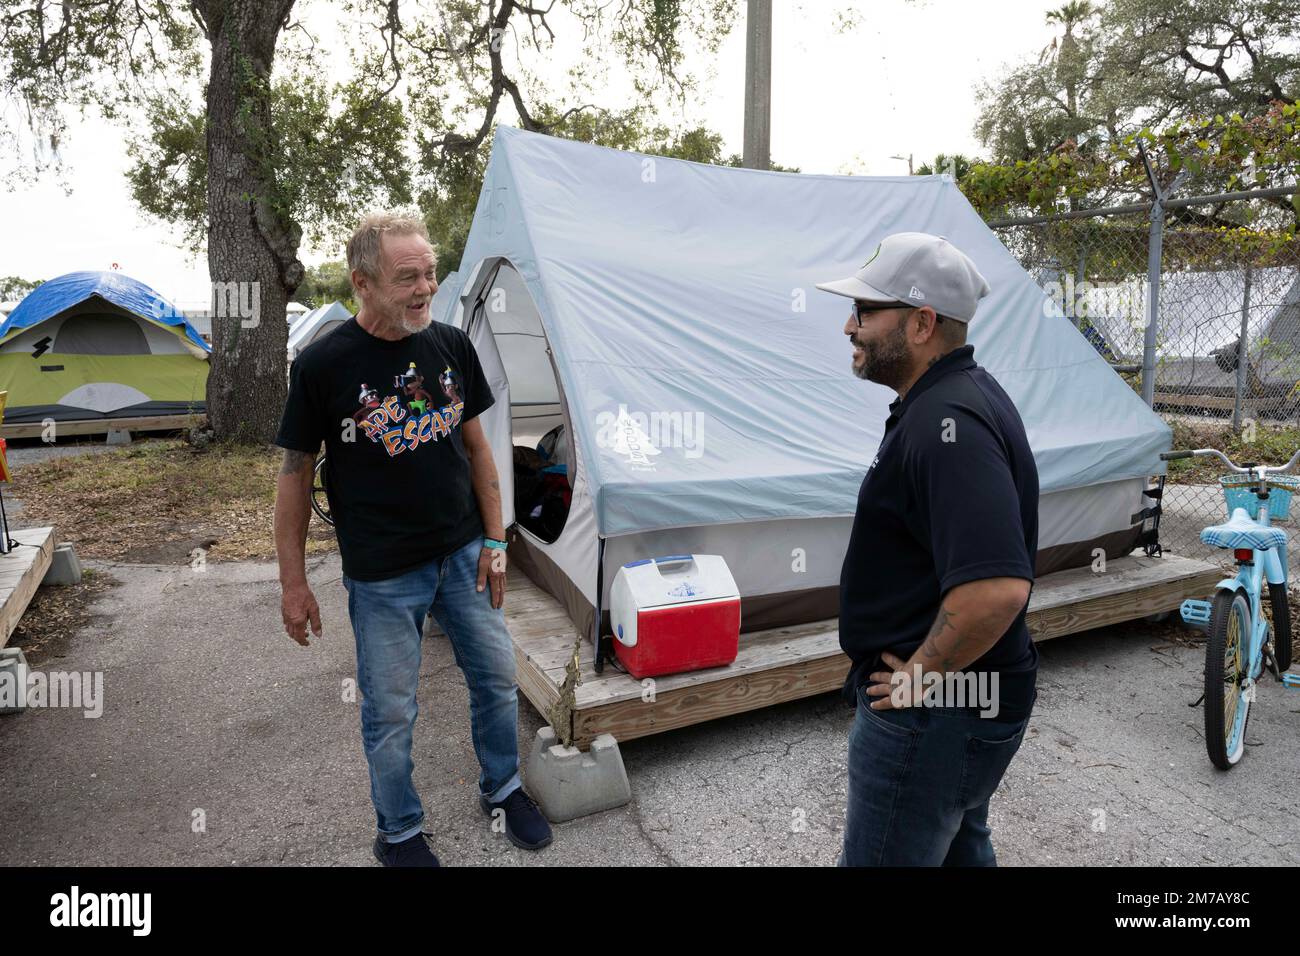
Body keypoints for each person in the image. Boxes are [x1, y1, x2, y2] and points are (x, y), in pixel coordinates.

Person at [273, 212, 552, 867]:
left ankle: (504, 787)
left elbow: (480, 449)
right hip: (382, 574)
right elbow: (291, 476)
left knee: (496, 679)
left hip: (462, 555)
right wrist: (292, 583)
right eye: (409, 277)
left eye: (429, 272)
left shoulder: (452, 345)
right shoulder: (323, 364)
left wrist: (494, 541)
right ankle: (397, 829)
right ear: (363, 283)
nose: (426, 285)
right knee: (392, 709)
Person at [816, 232, 1039, 866]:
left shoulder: (951, 426)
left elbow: (996, 588)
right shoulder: (945, 402)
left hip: (934, 719)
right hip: (958, 710)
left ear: (921, 324)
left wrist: (920, 677)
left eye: (864, 312)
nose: (848, 326)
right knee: (961, 848)